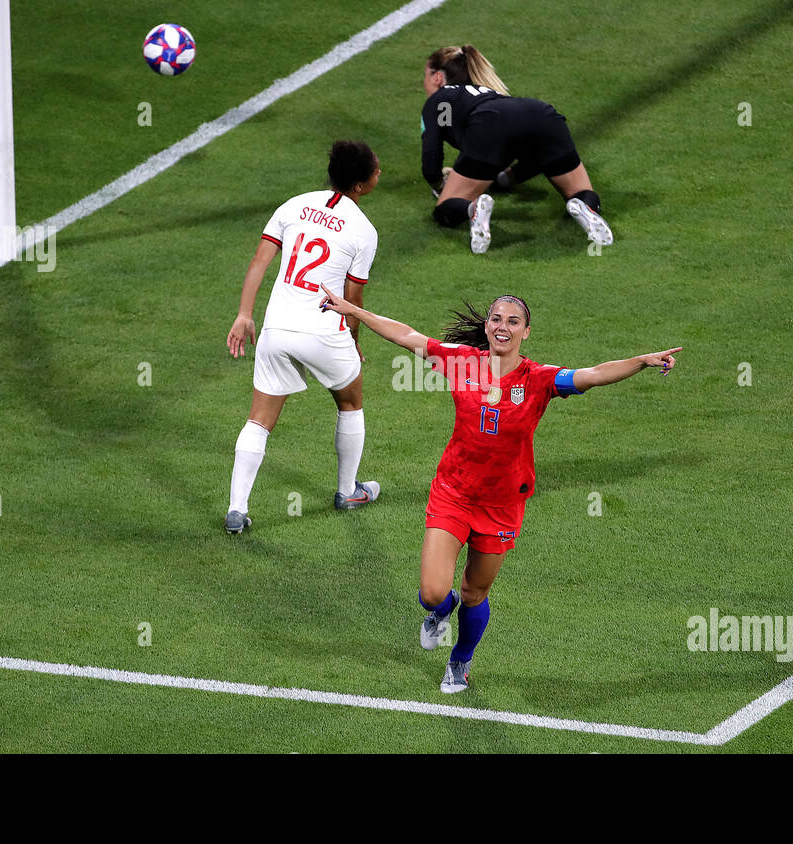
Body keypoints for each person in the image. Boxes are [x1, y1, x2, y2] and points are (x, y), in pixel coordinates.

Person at [317, 284, 681, 692]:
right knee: (433, 592)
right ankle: (442, 610)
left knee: (474, 591)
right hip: (453, 492)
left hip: (502, 504)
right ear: (487, 326)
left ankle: (460, 661)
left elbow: (594, 375)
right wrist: (353, 310)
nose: (502, 326)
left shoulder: (540, 380)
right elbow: (407, 335)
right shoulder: (461, 362)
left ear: (526, 331)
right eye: (496, 319)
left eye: (513, 321)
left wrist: (642, 361)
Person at [223, 141, 383, 534]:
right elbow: (354, 297)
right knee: (350, 401)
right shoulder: (364, 230)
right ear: (361, 185)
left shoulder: (293, 205)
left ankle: (237, 509)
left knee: (259, 419)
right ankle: (347, 491)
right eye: (377, 171)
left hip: (276, 329)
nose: (380, 175)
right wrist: (354, 337)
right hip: (325, 332)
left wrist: (245, 314)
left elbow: (260, 261)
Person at [419, 44, 614, 254]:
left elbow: (431, 158)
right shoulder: (489, 94)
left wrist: (438, 184)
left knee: (444, 210)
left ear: (438, 77)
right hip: (542, 115)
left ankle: (473, 209)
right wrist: (504, 179)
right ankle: (587, 208)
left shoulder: (439, 101)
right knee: (580, 191)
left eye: (425, 76)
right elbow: (536, 157)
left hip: (492, 126)